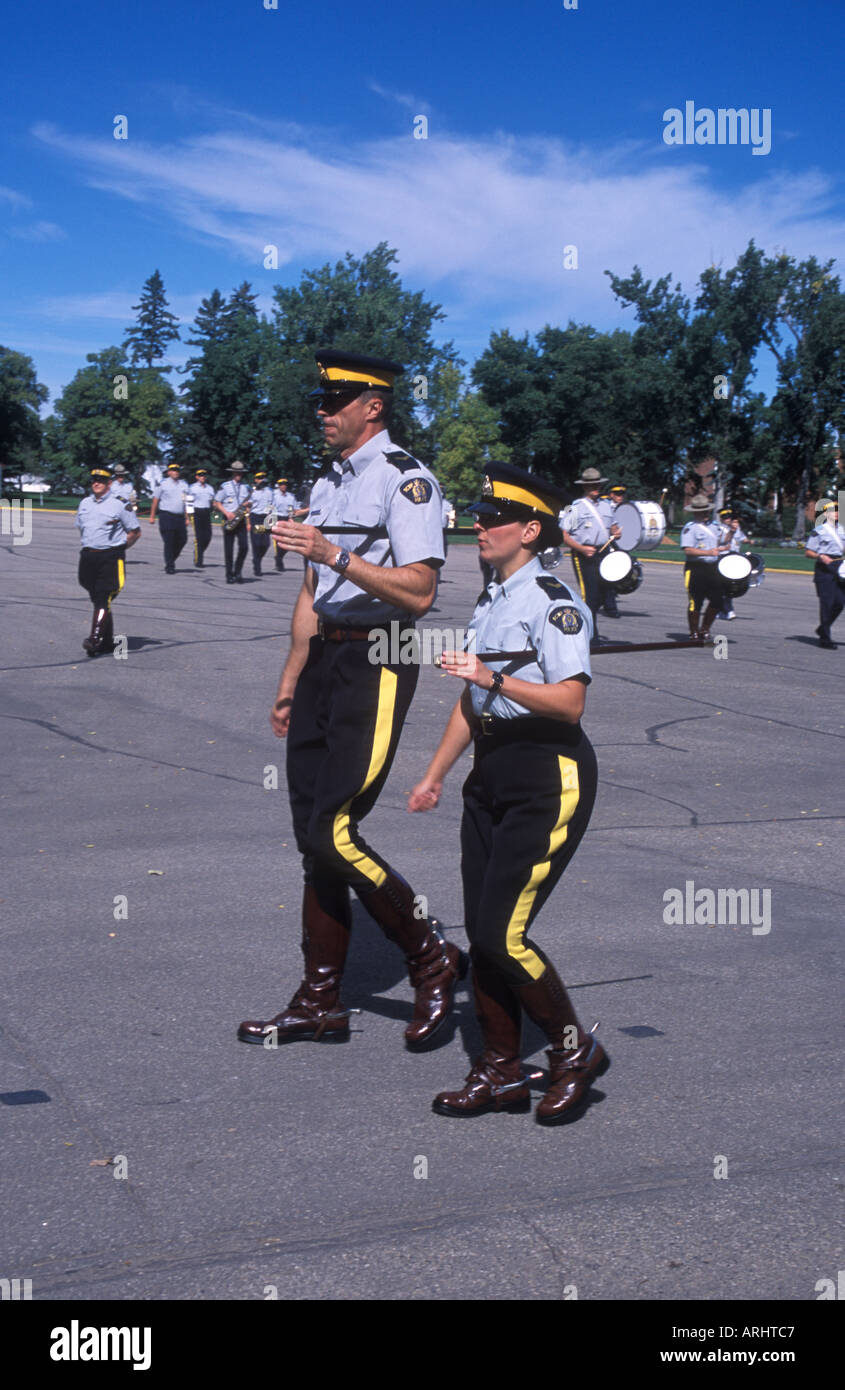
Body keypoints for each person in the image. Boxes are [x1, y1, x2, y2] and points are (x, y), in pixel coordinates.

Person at [237, 349, 464, 1052]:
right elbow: (310, 594)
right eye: (322, 399)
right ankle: (320, 1002)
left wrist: (333, 554)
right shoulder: (328, 482)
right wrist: (287, 680)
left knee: (334, 828)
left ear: (374, 406)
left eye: (337, 399)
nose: (323, 411)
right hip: (324, 660)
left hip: (380, 654)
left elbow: (420, 593)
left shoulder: (407, 482)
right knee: (313, 841)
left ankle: (430, 957)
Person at [408, 461, 607, 1124]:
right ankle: (498, 1072)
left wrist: (492, 678)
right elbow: (470, 702)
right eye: (479, 515)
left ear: (528, 530)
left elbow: (569, 703)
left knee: (503, 934)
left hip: (547, 776)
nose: (477, 524)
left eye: (492, 519)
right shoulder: (492, 599)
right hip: (489, 775)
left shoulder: (554, 600)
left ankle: (573, 1053)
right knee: (485, 932)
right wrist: (436, 774)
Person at [75, 465, 141, 656]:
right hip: (88, 556)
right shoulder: (84, 503)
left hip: (110, 557)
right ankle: (108, 641)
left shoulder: (120, 504)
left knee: (104, 596)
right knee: (97, 598)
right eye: (94, 480)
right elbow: (82, 528)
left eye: (101, 481)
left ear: (109, 483)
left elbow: (135, 532)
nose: (96, 483)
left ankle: (94, 639)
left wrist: (119, 548)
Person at [561, 467, 621, 646]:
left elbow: (613, 527)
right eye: (591, 484)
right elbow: (563, 534)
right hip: (583, 554)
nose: (595, 487)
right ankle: (590, 635)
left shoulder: (607, 505)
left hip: (603, 553)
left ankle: (588, 630)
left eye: (597, 484)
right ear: (585, 486)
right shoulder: (575, 507)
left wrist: (616, 533)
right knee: (590, 595)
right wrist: (581, 548)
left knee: (605, 593)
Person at [680, 494, 727, 641]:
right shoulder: (690, 528)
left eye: (707, 510)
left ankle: (705, 629)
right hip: (695, 568)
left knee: (717, 599)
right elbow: (688, 550)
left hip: (713, 567)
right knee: (696, 600)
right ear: (695, 512)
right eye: (702, 511)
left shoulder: (715, 527)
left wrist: (731, 532)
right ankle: (693, 632)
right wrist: (708, 552)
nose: (705, 513)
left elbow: (723, 542)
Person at [805, 500, 845, 649]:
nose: (836, 513)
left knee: (840, 603)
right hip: (824, 568)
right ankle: (825, 638)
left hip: (839, 566)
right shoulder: (819, 530)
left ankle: (822, 628)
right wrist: (820, 556)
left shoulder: (842, 529)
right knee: (827, 603)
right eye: (833, 511)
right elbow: (808, 552)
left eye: (838, 511)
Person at [213, 463, 251, 584]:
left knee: (244, 547)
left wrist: (248, 506)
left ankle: (238, 571)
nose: (238, 474)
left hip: (241, 520)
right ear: (232, 473)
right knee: (228, 549)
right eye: (236, 472)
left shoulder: (246, 487)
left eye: (240, 472)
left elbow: (250, 505)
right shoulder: (225, 487)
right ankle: (229, 574)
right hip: (228, 519)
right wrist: (226, 512)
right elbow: (216, 502)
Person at [148, 462, 189, 573]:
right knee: (169, 541)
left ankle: (170, 559)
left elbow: (186, 502)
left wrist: (187, 517)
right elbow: (155, 500)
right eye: (173, 470)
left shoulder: (184, 485)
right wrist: (152, 516)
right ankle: (170, 565)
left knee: (183, 539)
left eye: (177, 470)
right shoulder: (163, 484)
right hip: (167, 516)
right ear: (169, 472)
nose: (175, 472)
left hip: (179, 517)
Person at [715, 508, 749, 621]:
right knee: (723, 585)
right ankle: (726, 610)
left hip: (735, 557)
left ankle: (724, 610)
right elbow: (723, 541)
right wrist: (732, 531)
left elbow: (743, 539)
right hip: (723, 558)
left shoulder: (736, 527)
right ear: (721, 519)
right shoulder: (718, 528)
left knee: (731, 586)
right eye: (725, 517)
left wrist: (754, 542)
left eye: (729, 517)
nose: (728, 519)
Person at [249, 471, 274, 576]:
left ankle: (257, 559)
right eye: (259, 478)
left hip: (265, 518)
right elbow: (247, 506)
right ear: (255, 480)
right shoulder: (252, 491)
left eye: (263, 477)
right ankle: (257, 567)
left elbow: (271, 505)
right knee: (257, 543)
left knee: (266, 544)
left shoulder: (269, 491)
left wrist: (271, 521)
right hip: (255, 517)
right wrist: (247, 522)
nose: (261, 479)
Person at [188, 468, 215, 568]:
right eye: (200, 475)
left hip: (206, 513)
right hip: (196, 512)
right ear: (196, 477)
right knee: (199, 537)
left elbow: (213, 501)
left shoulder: (210, 488)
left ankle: (198, 551)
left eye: (204, 475)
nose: (202, 477)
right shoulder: (192, 488)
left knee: (208, 536)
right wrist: (188, 516)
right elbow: (189, 502)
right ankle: (198, 560)